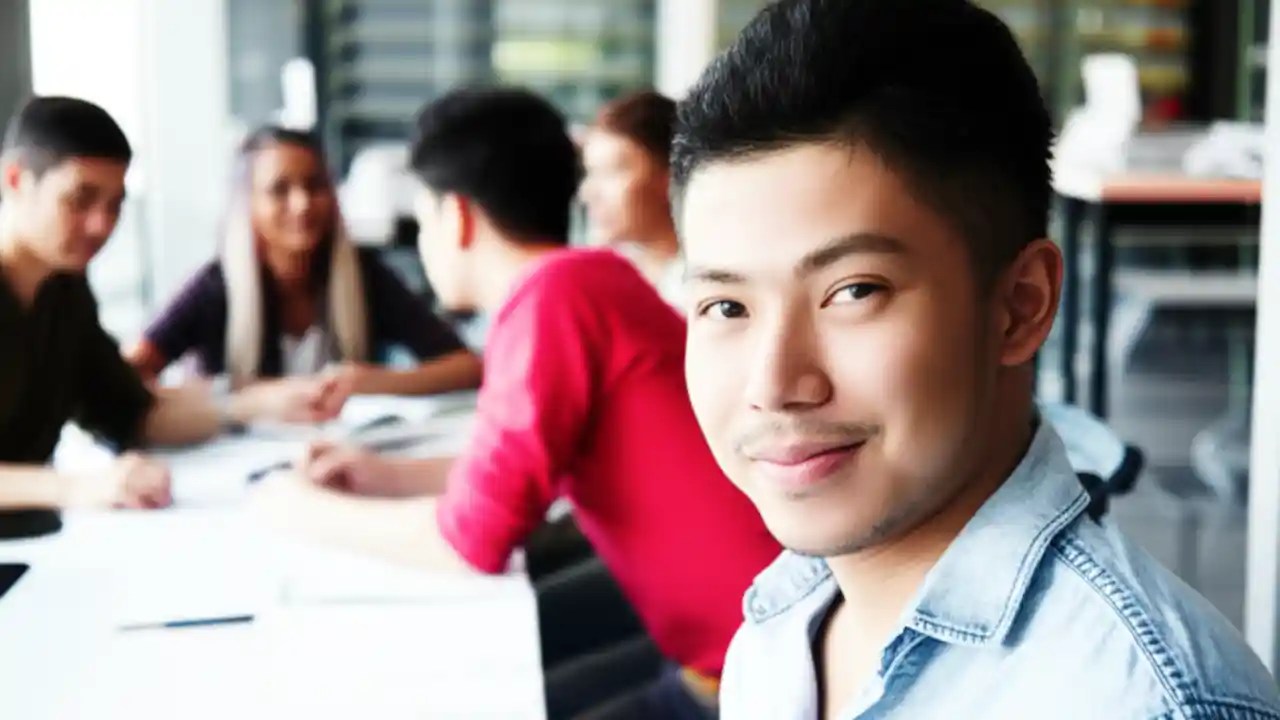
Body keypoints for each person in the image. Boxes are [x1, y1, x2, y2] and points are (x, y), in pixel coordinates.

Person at [671, 1, 1280, 718]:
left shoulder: (1146, 701)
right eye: (727, 308)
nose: (774, 385)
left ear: (1020, 305)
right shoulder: (778, 631)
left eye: (853, 291)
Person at [249, 88, 780, 718]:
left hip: (754, 676)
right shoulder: (587, 280)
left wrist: (293, 507)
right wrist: (381, 474)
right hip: (740, 642)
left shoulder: (555, 298)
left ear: (459, 218)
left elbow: (470, 542)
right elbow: (512, 468)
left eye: (424, 223)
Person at [0, 97, 331, 530]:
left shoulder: (66, 290)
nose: (102, 225)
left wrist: (253, 406)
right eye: (80, 199)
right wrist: (76, 487)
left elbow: (135, 415)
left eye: (115, 204)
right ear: (16, 181)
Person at [127, 127, 481, 399]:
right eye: (279, 190)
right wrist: (226, 398)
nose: (302, 204)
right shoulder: (214, 286)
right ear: (247, 203)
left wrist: (380, 383)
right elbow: (126, 379)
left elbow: (466, 367)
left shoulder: (364, 274)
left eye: (315, 186)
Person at [579, 91, 682, 305]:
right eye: (591, 172)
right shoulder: (598, 275)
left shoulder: (706, 283)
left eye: (612, 172)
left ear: (670, 177)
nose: (588, 192)